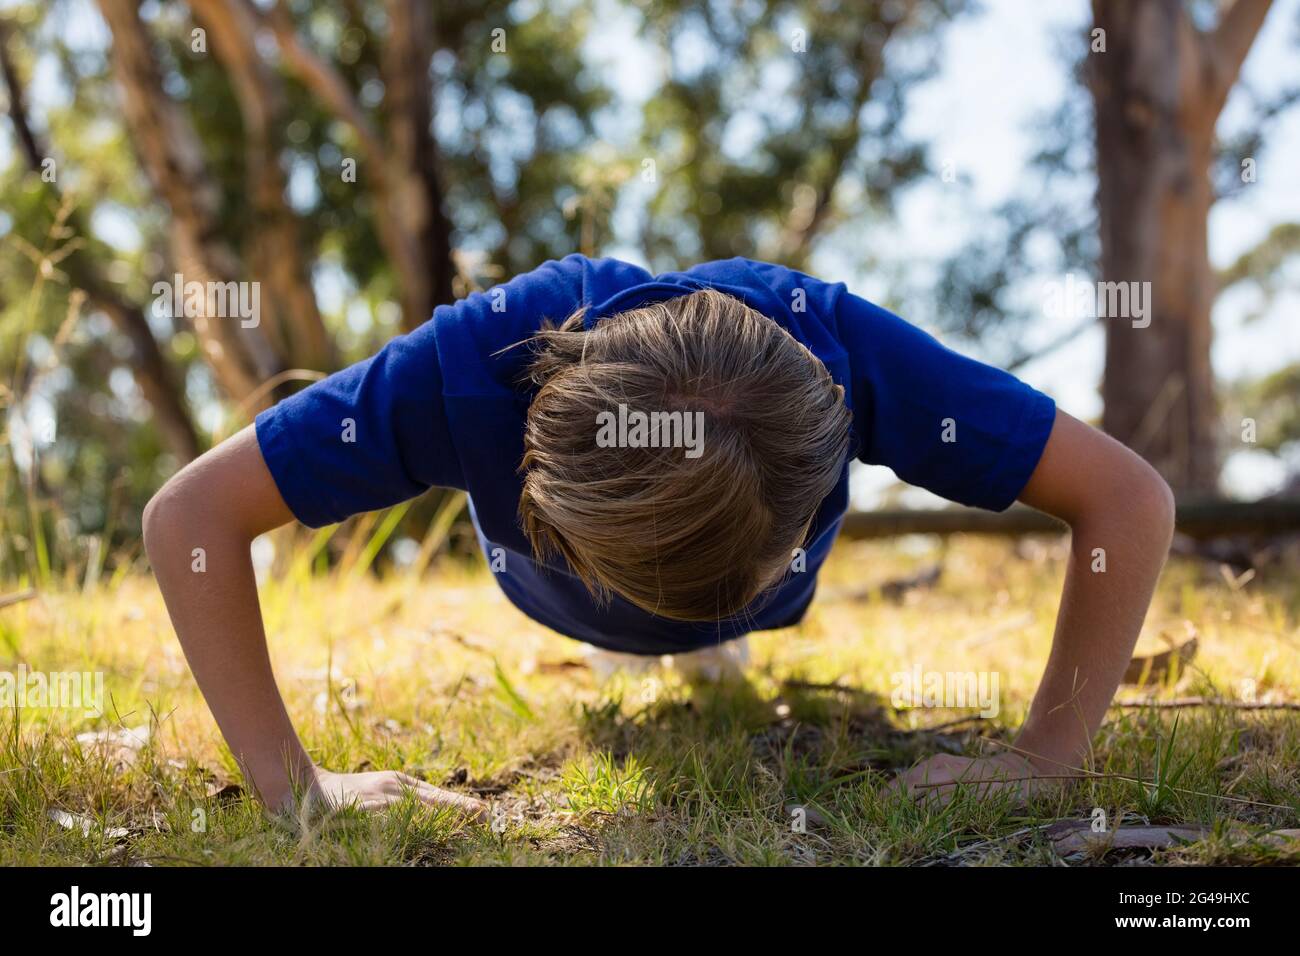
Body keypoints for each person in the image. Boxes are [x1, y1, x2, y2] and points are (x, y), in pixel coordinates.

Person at [143, 255, 1175, 815]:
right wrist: (293, 785)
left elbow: (1128, 501)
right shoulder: (468, 365)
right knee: (632, 625)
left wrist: (1047, 755)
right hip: (557, 587)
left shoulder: (848, 349)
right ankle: (634, 611)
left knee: (722, 634)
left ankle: (726, 629)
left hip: (764, 599)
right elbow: (189, 517)